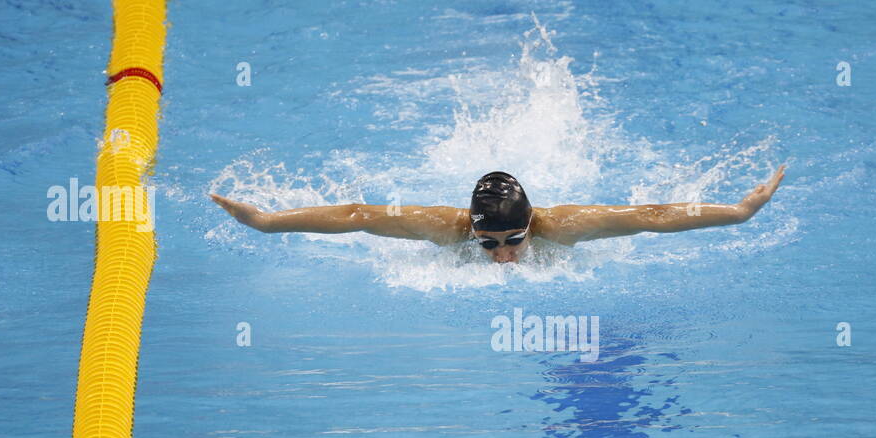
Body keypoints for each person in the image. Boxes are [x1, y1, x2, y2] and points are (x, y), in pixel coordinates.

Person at [210, 166, 785, 265]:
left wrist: (737, 212)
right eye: (488, 246)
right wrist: (264, 221)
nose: (503, 256)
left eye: (512, 241)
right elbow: (358, 214)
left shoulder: (565, 226)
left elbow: (651, 216)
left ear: (532, 226)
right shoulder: (443, 227)